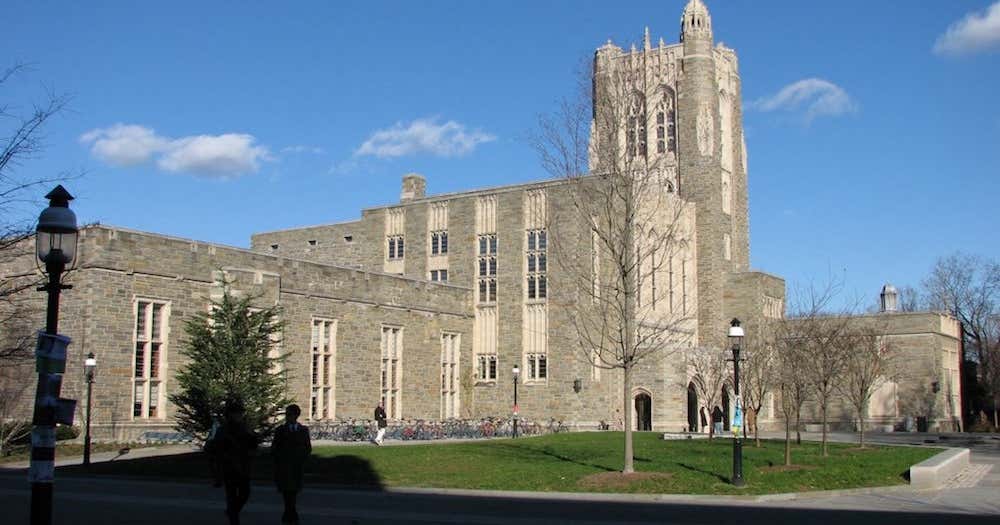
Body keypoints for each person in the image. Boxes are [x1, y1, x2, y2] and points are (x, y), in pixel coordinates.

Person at [206, 399, 259, 525]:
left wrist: (252, 438)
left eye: (240, 414)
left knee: (245, 493)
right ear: (230, 415)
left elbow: (253, 444)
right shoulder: (223, 430)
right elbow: (216, 449)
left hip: (243, 466)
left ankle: (232, 511)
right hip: (229, 467)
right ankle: (234, 519)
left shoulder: (245, 428)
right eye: (236, 414)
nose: (239, 416)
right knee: (231, 495)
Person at [272, 404, 311, 525]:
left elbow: (307, 447)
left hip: (297, 466)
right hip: (284, 466)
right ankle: (290, 515)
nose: (288, 417)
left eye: (290, 415)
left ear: (296, 416)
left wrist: (301, 458)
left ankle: (289, 514)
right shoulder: (280, 430)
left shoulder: (303, 430)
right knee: (287, 492)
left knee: (293, 492)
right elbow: (275, 448)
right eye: (287, 415)